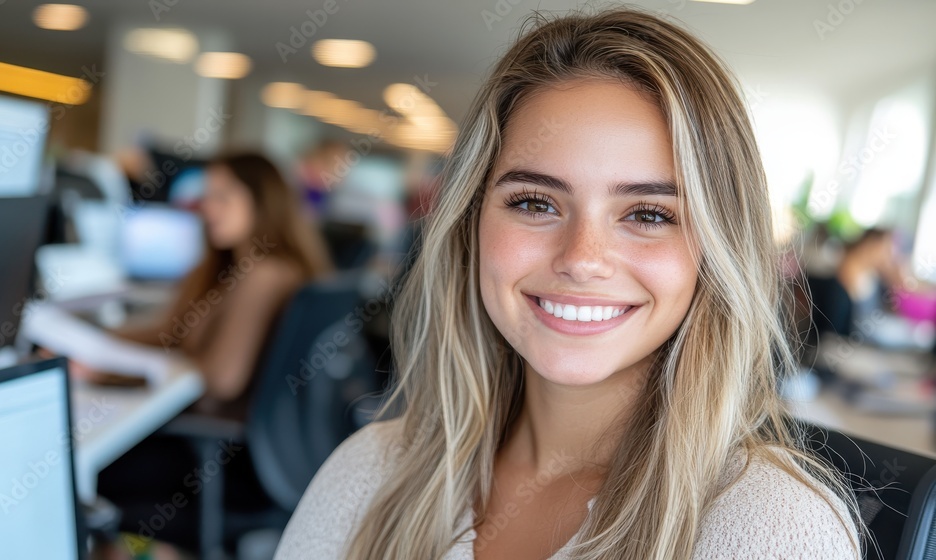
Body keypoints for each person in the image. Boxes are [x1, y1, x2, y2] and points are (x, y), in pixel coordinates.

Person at [275, 8, 865, 560]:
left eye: (649, 214)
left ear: (717, 250)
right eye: (535, 202)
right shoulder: (371, 472)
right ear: (471, 223)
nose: (582, 260)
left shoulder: (773, 530)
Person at [109, 151, 333, 415]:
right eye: (207, 196)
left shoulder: (266, 276)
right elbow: (171, 331)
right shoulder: (227, 269)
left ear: (262, 201)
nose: (208, 208)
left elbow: (223, 381)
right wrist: (101, 338)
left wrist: (116, 372)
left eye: (223, 197)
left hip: (206, 432)